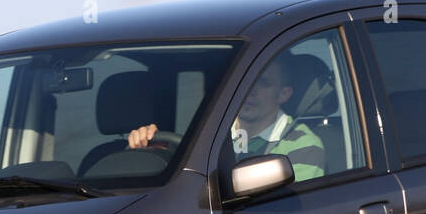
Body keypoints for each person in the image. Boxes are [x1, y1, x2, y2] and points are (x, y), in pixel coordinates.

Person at [126, 55, 326, 181]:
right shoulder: (209, 132)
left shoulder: (304, 145)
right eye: (245, 81)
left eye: (263, 83)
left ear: (284, 94)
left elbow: (288, 213)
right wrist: (149, 149)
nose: (250, 91)